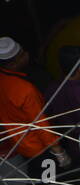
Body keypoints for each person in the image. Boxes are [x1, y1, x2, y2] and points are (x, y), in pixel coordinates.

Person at [0, 38, 72, 172]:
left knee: (37, 174)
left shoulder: (4, 80)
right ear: (14, 62)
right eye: (22, 54)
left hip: (19, 143)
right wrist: (58, 150)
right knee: (49, 180)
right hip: (38, 147)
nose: (26, 54)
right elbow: (40, 123)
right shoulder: (24, 89)